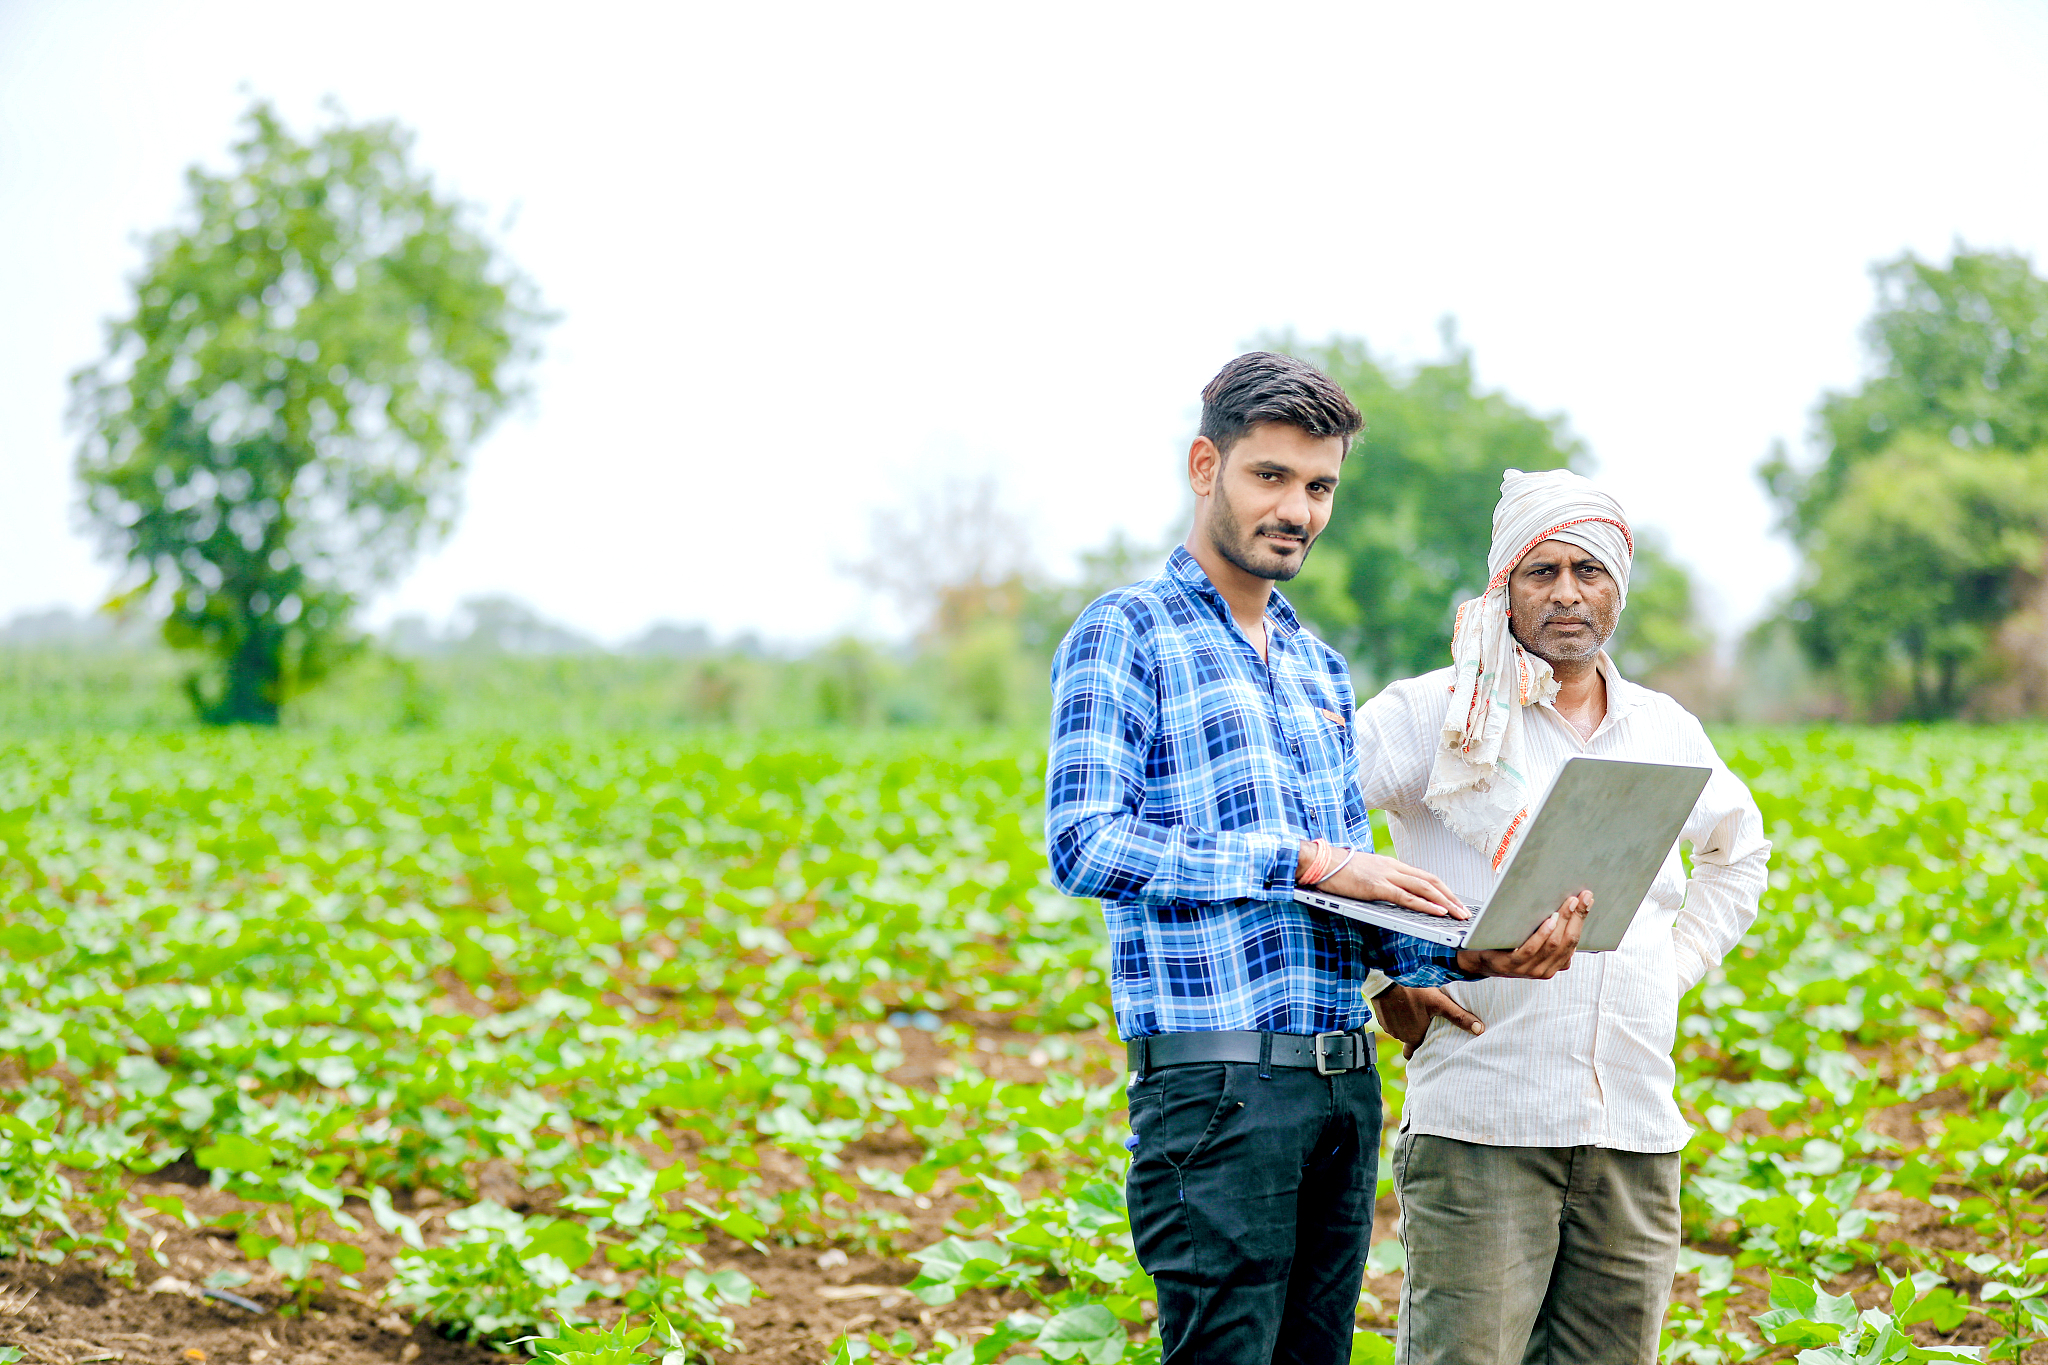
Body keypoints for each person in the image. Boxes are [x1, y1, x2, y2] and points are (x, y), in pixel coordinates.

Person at [1045, 353, 1593, 1365]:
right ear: (1204, 466)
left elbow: (1343, 893)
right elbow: (1086, 844)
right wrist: (1300, 861)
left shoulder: (1313, 666)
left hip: (1338, 1084)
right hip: (1214, 1091)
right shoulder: (1125, 631)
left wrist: (1460, 955)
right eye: (1269, 476)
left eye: (1318, 486)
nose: (1294, 507)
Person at [1356, 468, 1772, 1365]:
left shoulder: (1665, 729)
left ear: (1619, 583)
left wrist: (1677, 963)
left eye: (1588, 569)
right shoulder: (1432, 712)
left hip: (1633, 1122)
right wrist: (1386, 976)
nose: (1567, 593)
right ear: (1502, 586)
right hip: (1484, 1120)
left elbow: (1740, 852)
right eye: (1539, 572)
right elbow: (1314, 839)